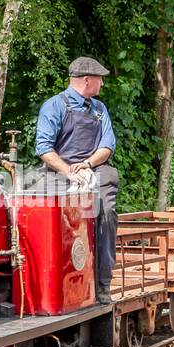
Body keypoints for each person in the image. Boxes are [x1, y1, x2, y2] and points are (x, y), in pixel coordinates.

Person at [36, 56, 119, 304]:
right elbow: (43, 148)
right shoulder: (54, 106)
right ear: (86, 80)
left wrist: (88, 165)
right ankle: (52, 281)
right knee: (46, 213)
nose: (102, 84)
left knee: (106, 211)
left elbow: (107, 146)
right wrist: (69, 171)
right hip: (60, 171)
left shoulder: (99, 109)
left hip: (95, 168)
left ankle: (103, 282)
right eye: (99, 79)